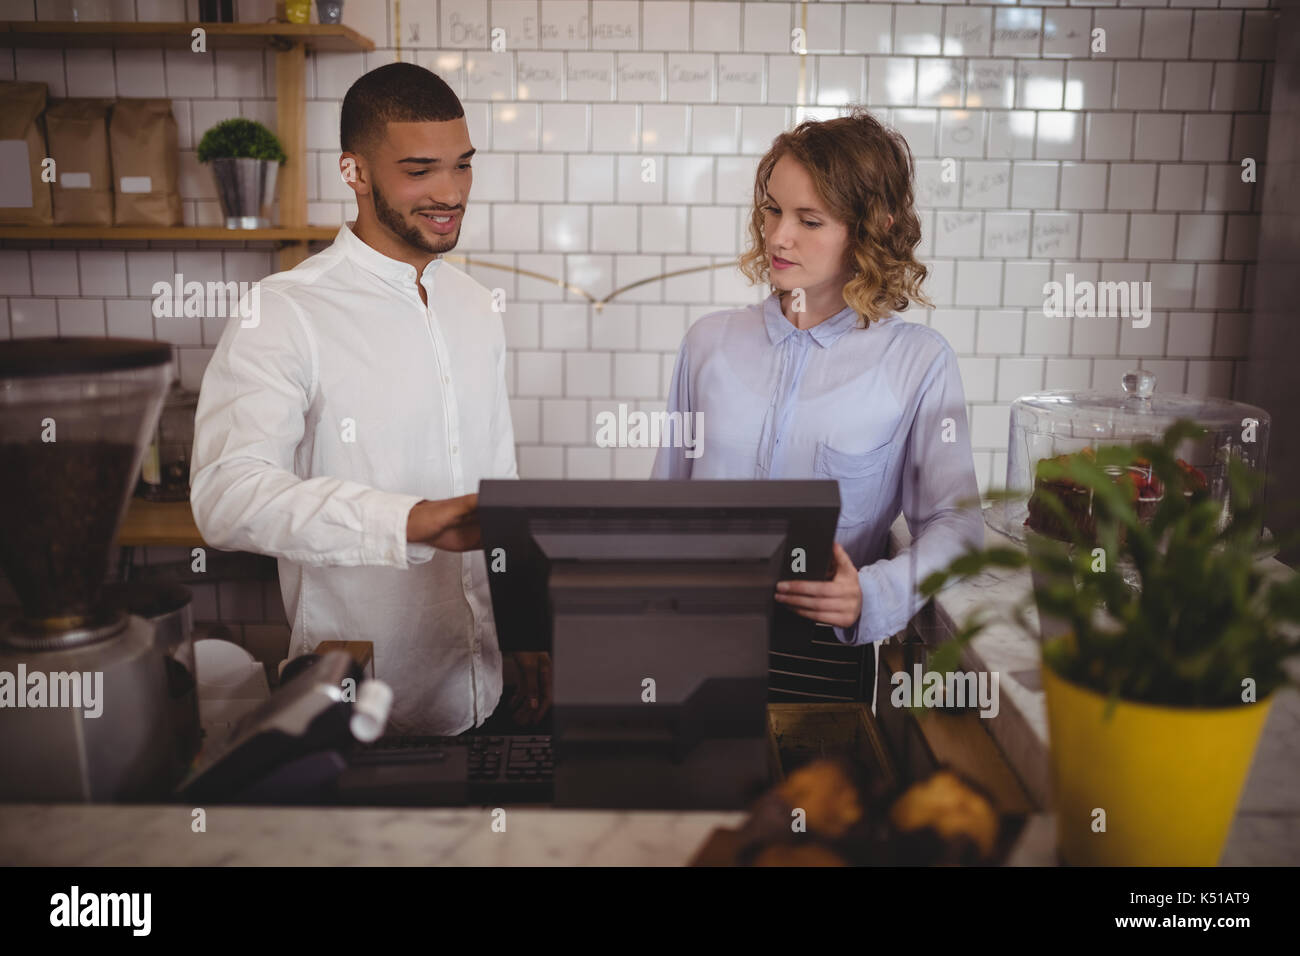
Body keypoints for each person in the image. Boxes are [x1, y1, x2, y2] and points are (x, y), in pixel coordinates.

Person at [191, 63, 550, 736]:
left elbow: (500, 488)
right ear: (354, 172)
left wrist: (523, 627)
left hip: (488, 690)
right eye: (420, 170)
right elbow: (224, 496)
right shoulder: (285, 310)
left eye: (463, 166)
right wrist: (408, 521)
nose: (450, 192)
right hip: (358, 709)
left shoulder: (475, 306)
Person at [651, 108, 984, 705]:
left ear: (871, 228)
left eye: (810, 219)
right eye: (773, 209)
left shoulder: (919, 363)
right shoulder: (708, 343)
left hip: (824, 662)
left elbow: (957, 524)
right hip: (688, 646)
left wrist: (875, 594)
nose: (779, 236)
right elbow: (664, 504)